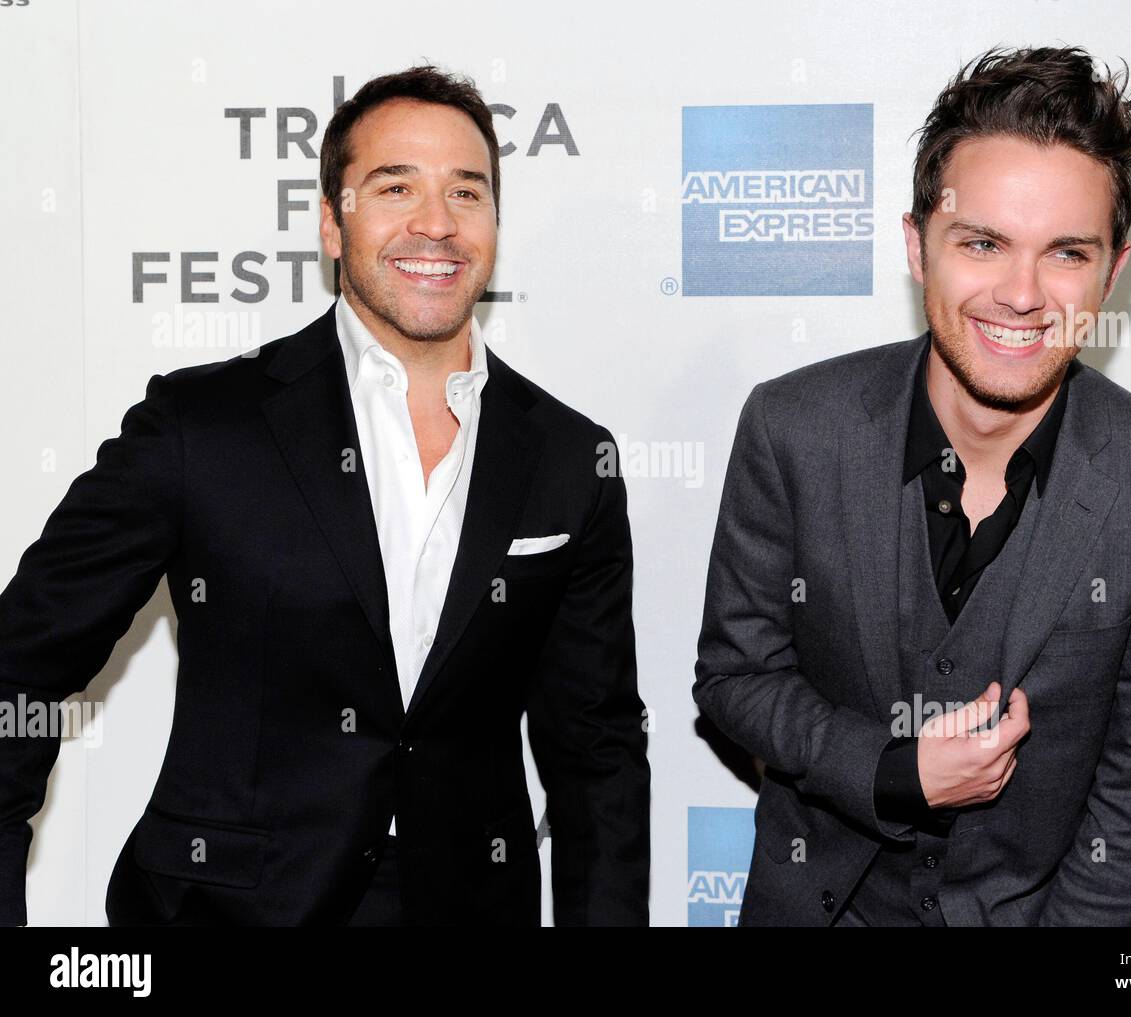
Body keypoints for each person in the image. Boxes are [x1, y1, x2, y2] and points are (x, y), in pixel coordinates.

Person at [0, 64, 650, 927]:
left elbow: (596, 751)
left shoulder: (571, 457)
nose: (436, 222)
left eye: (468, 191)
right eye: (395, 186)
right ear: (332, 225)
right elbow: (22, 668)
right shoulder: (201, 426)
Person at [694, 45, 1131, 926]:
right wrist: (890, 769)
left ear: (1112, 271)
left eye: (1066, 252)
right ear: (918, 246)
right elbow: (734, 677)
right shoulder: (793, 428)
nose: (1021, 294)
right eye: (983, 242)